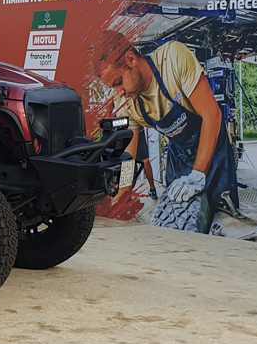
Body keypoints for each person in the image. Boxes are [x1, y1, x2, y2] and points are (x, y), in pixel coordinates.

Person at [93, 31, 238, 229]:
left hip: (213, 150)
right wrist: (123, 194)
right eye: (113, 87)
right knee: (179, 224)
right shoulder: (127, 102)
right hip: (179, 156)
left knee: (224, 222)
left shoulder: (172, 58)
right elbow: (129, 155)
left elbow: (212, 115)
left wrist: (197, 175)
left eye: (119, 82)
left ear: (130, 59)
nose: (119, 92)